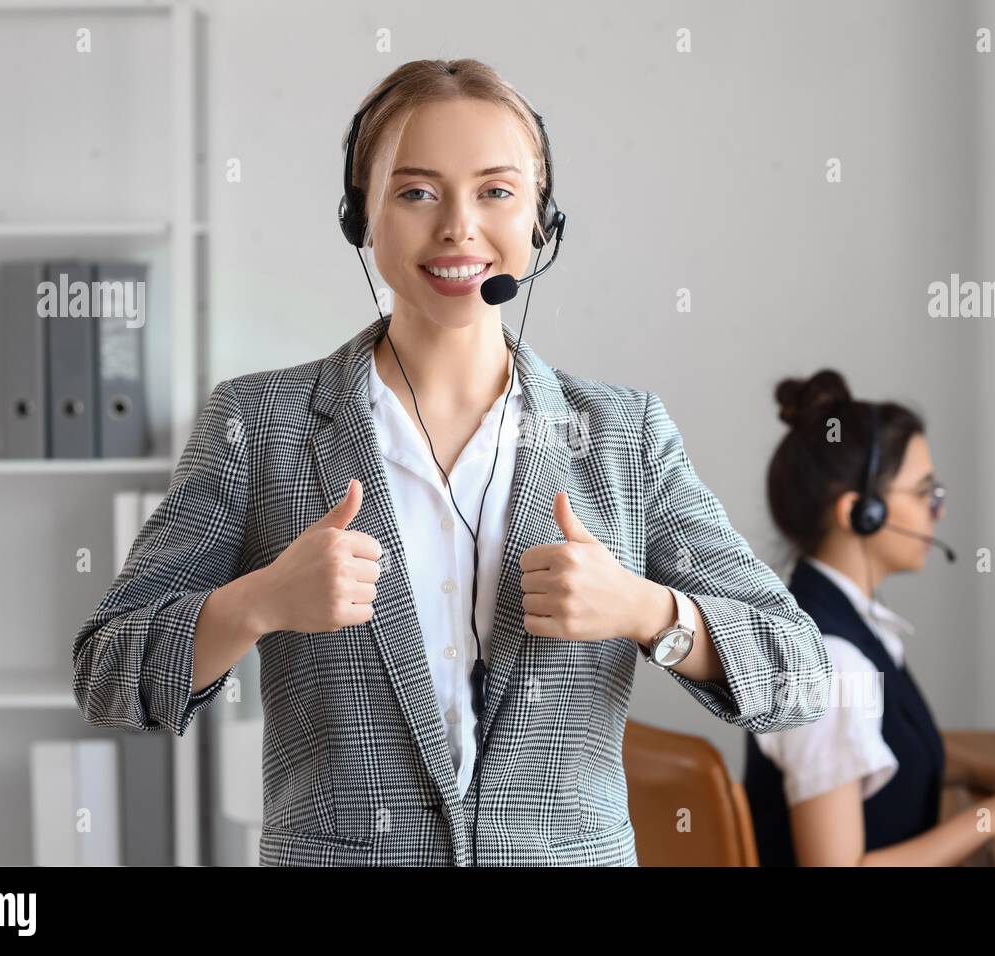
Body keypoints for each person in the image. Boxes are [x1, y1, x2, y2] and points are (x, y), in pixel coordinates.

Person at [72, 58, 832, 867]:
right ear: (359, 216)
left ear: (543, 219)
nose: (458, 228)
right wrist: (258, 602)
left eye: (496, 191)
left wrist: (648, 611)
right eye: (415, 191)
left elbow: (801, 676)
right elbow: (109, 676)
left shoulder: (623, 434)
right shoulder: (260, 423)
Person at [744, 368, 995, 866]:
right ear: (861, 513)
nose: (938, 513)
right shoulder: (831, 664)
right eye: (925, 495)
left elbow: (883, 749)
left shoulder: (845, 621)